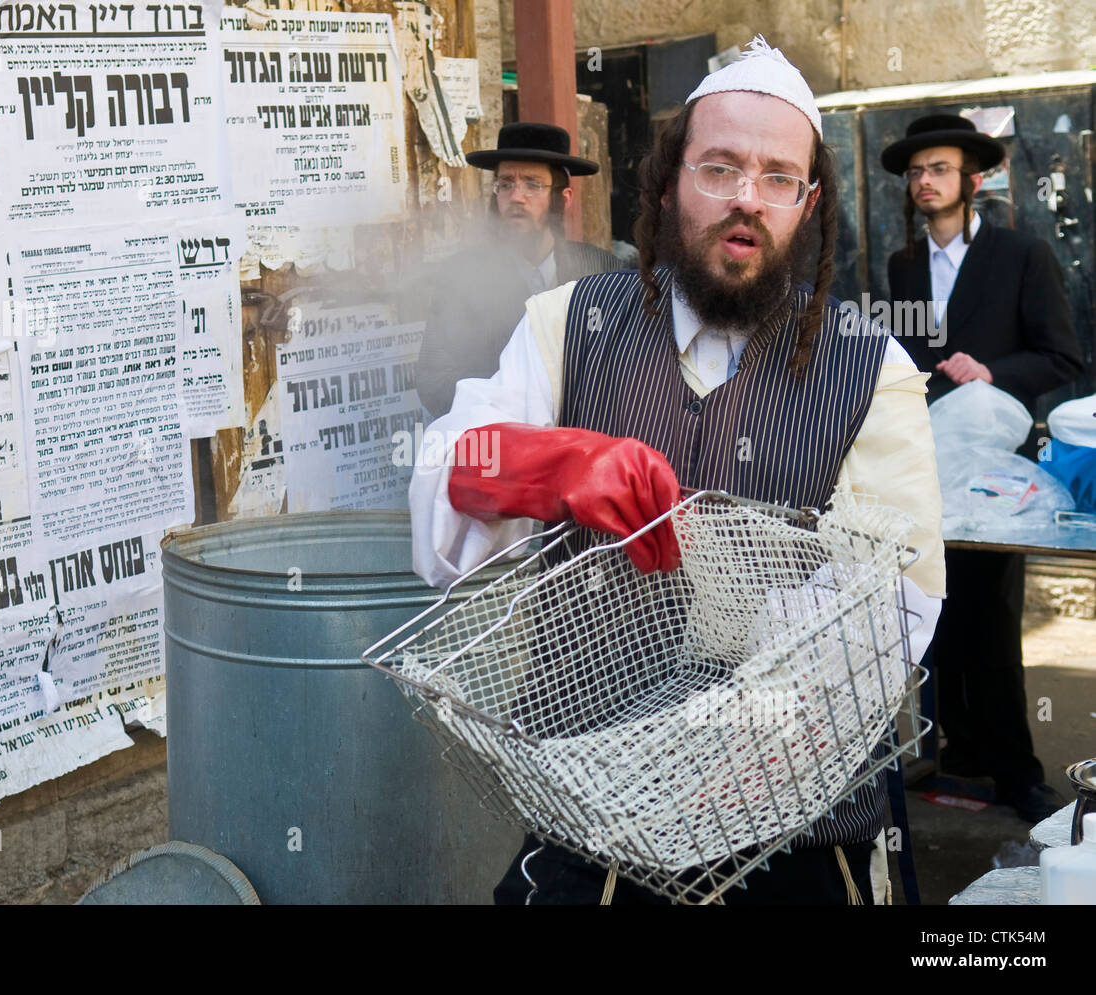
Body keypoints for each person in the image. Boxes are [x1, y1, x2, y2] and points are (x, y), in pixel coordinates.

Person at [409, 36, 946, 905]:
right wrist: (534, 465)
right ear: (667, 181)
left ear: (808, 204)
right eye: (719, 168)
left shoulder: (869, 365)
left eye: (778, 178)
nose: (748, 201)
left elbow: (894, 613)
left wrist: (708, 737)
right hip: (588, 834)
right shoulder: (567, 322)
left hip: (795, 848)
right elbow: (442, 495)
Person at [883, 114, 1083, 823]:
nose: (924, 182)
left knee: (995, 619)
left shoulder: (1022, 255)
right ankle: (957, 752)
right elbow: (904, 363)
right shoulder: (902, 266)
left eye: (937, 169)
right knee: (936, 608)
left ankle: (1018, 773)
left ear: (971, 180)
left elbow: (1063, 357)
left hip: (998, 472)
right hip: (928, 460)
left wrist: (993, 369)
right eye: (915, 173)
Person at [415, 122, 620, 417]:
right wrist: (516, 413)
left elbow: (623, 368)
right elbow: (435, 381)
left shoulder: (602, 270)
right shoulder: (461, 275)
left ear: (564, 199)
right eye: (506, 183)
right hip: (503, 448)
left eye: (533, 185)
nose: (516, 197)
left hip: (584, 446)